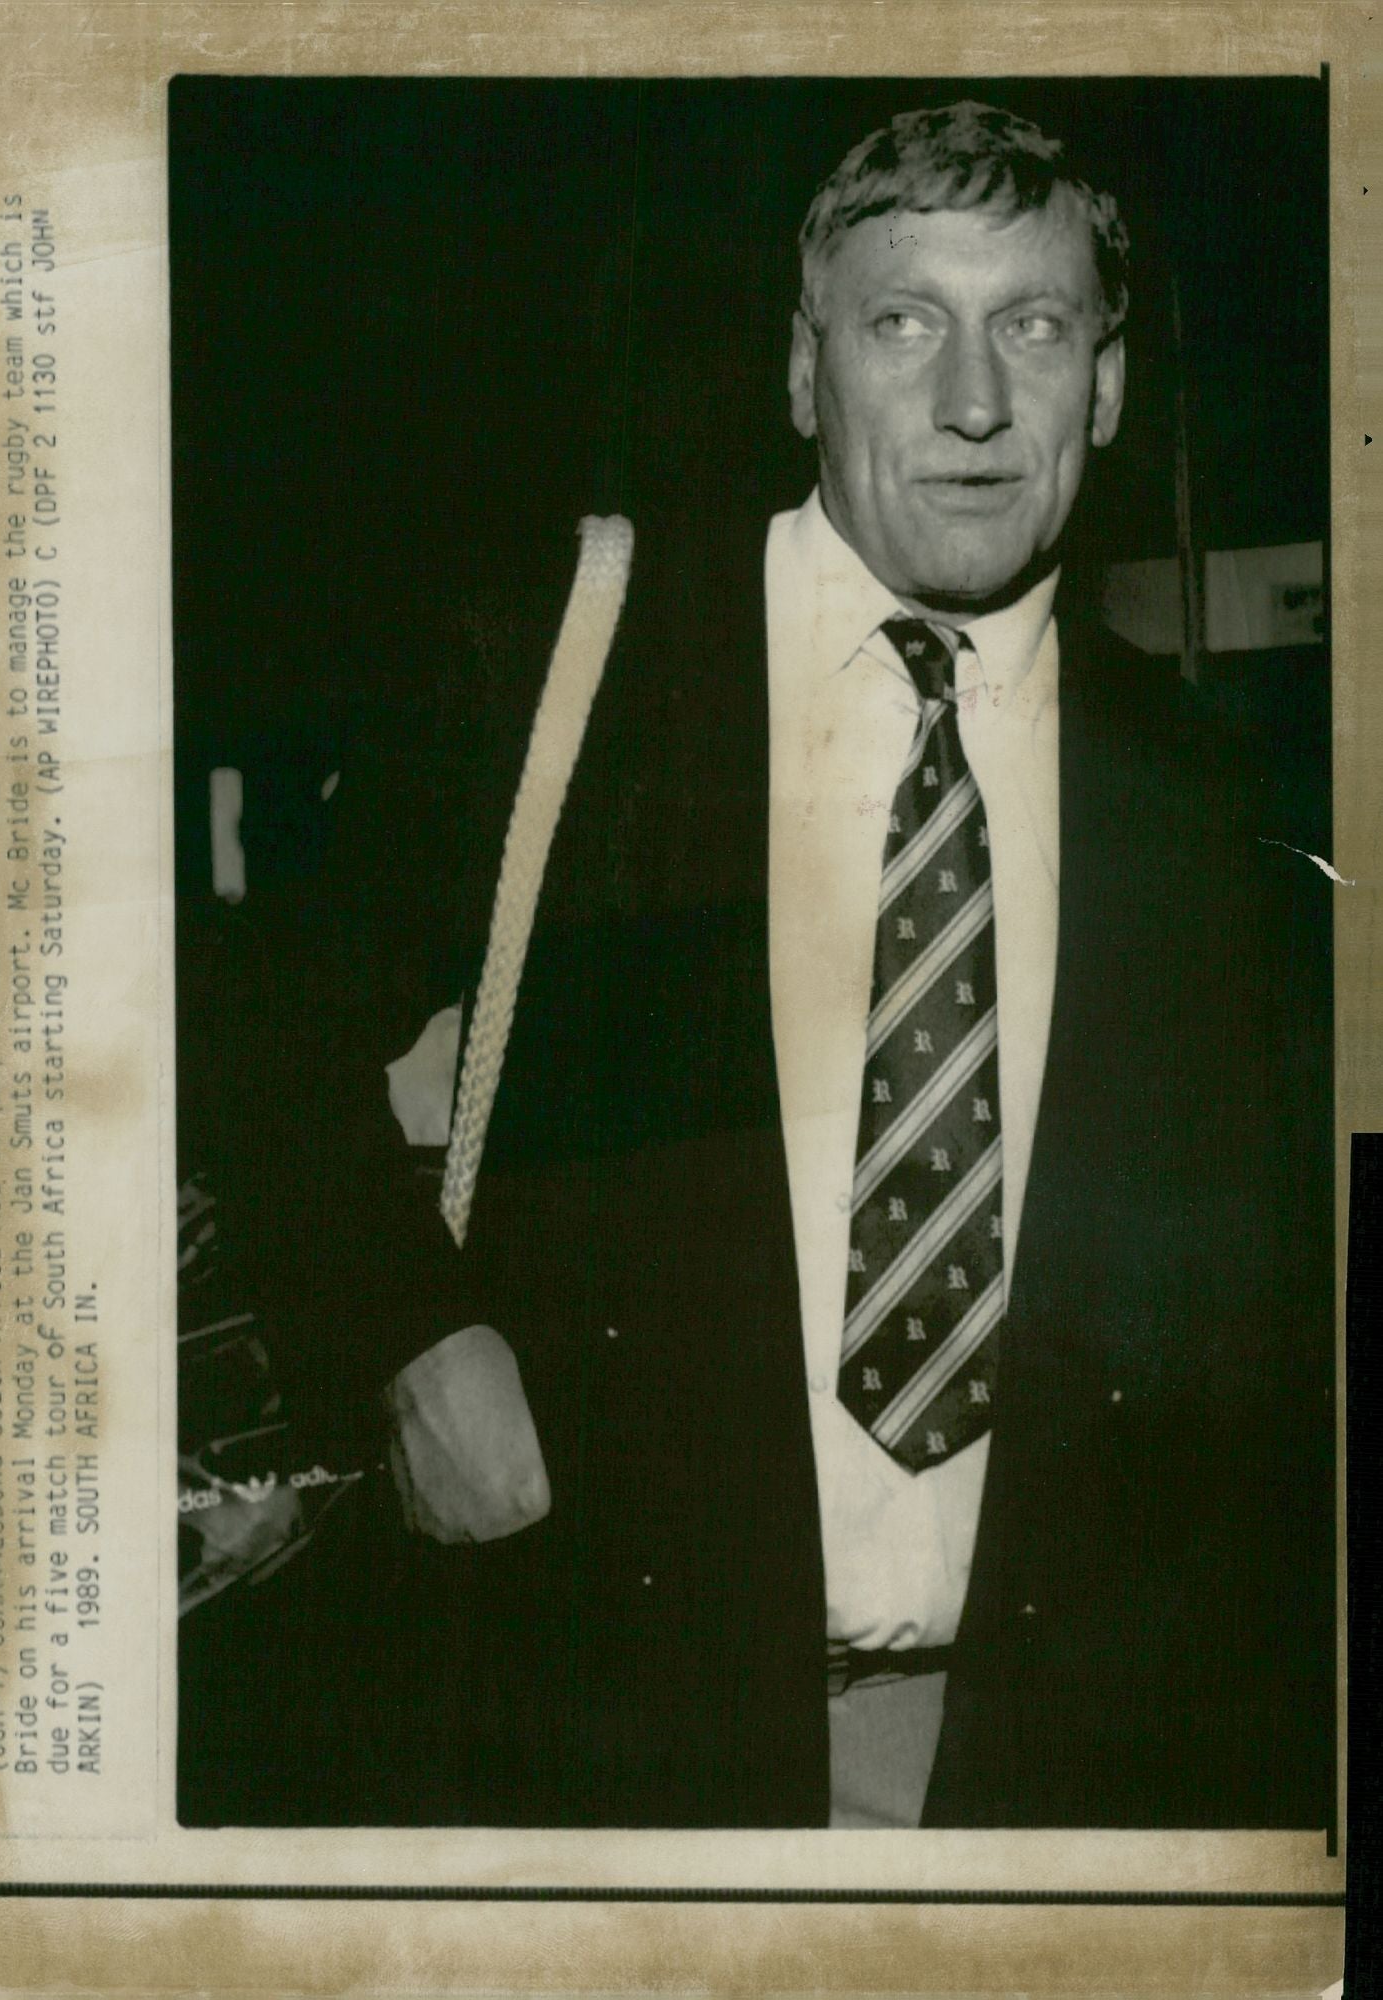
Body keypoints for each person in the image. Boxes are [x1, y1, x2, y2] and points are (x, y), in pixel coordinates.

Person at [270, 100, 1334, 1831]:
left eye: (1035, 326)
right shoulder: (580, 674)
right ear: (799, 370)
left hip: (1069, 1779)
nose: (974, 400)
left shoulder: (1217, 804)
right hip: (623, 1751)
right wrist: (403, 1334)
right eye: (903, 322)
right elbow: (240, 1021)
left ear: (1110, 390)